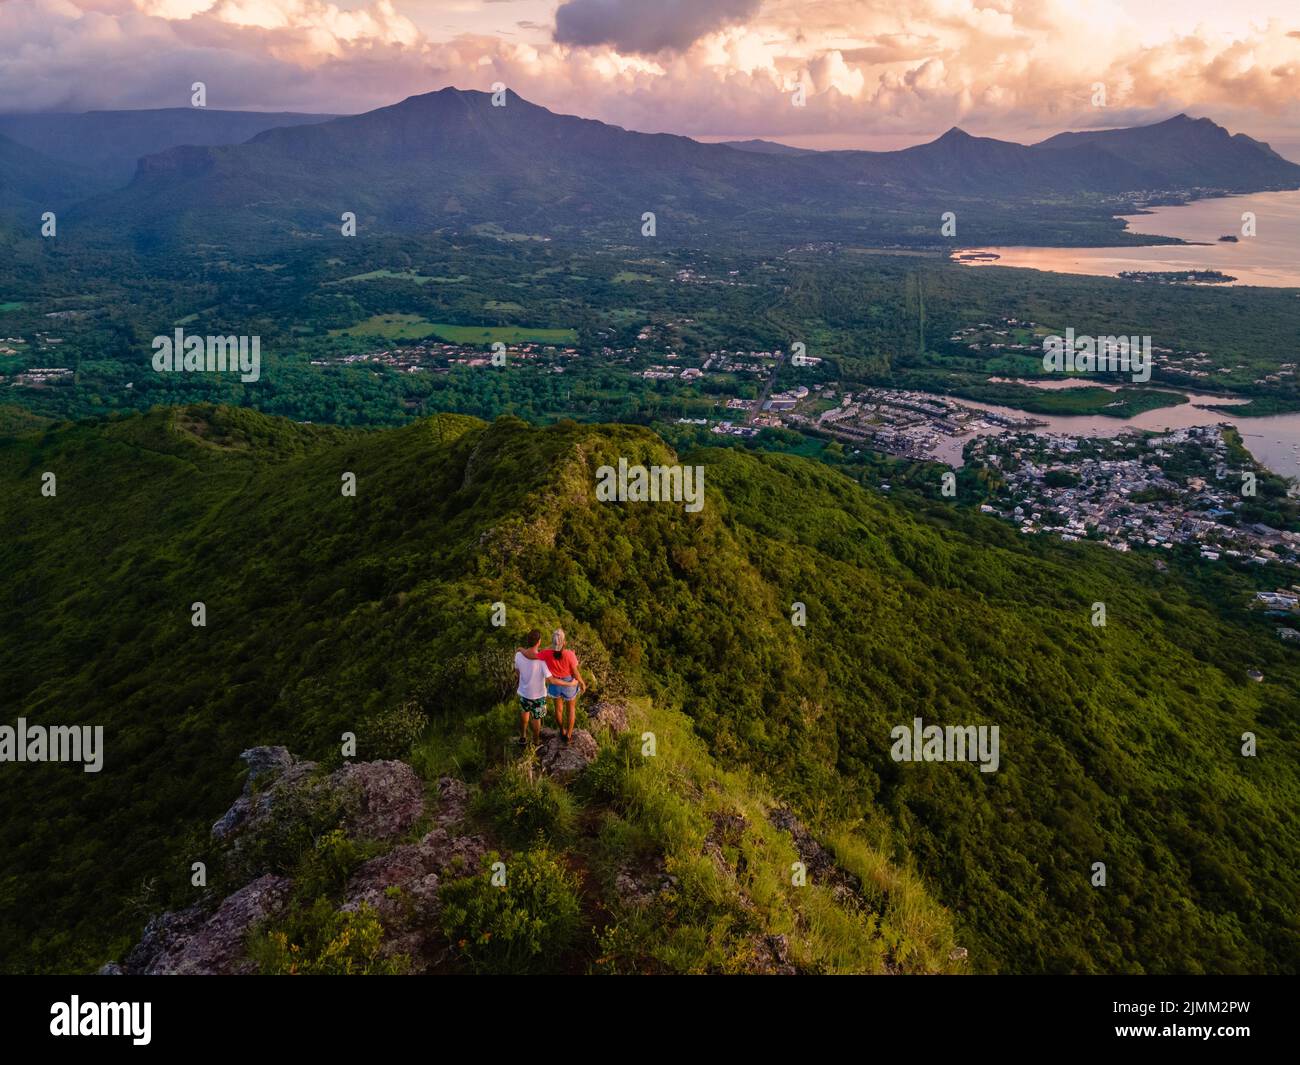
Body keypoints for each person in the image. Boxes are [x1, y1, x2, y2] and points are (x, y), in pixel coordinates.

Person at [526, 628, 586, 745]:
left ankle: (561, 730)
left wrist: (521, 650)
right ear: (564, 642)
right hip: (569, 683)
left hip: (555, 684)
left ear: (552, 643)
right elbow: (575, 671)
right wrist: (582, 682)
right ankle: (568, 735)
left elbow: (531, 655)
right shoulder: (570, 654)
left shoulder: (546, 653)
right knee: (571, 710)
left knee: (558, 710)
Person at [513, 629, 550, 748]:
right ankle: (536, 742)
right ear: (539, 642)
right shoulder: (542, 660)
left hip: (524, 692)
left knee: (525, 713)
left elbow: (517, 672)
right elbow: (549, 678)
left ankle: (522, 737)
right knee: (537, 718)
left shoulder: (518, 655)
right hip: (538, 694)